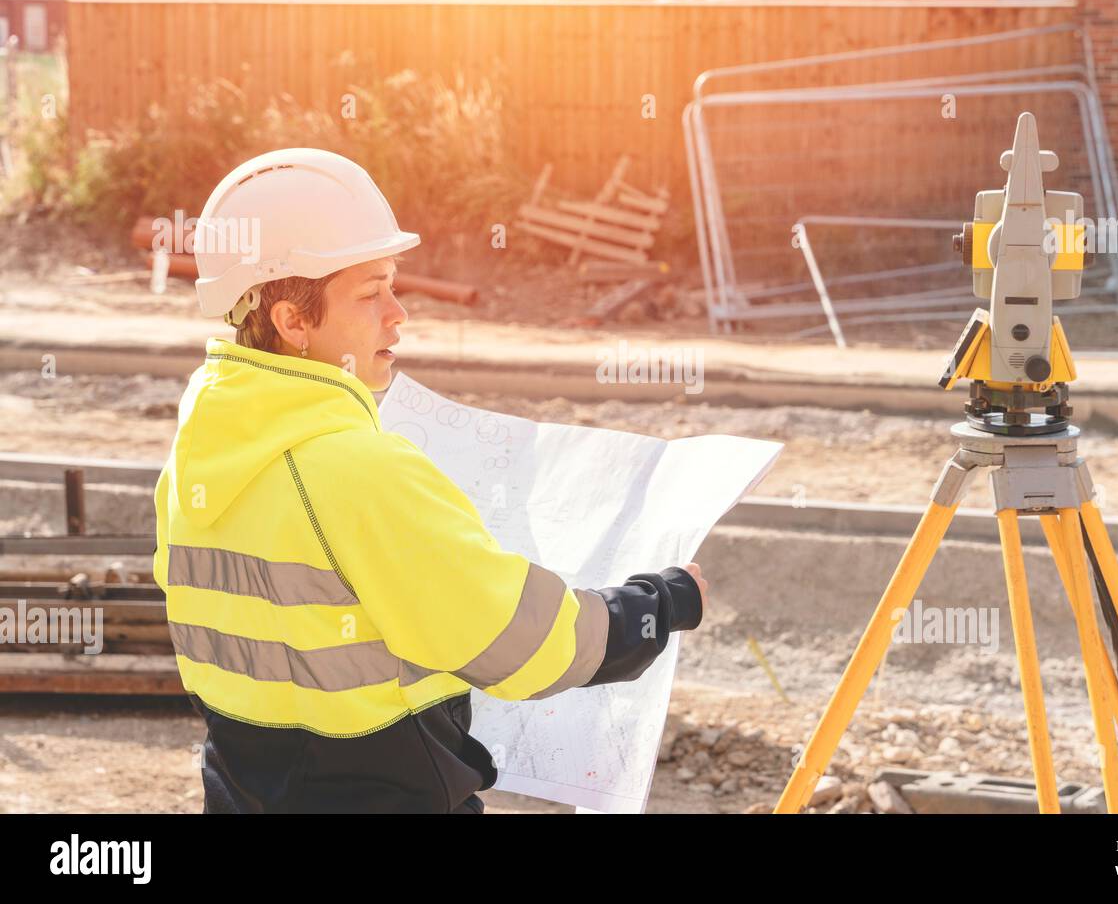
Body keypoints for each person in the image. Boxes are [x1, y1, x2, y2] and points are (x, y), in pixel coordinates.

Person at [153, 148, 708, 812]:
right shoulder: (358, 473)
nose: (398, 313)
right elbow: (522, 641)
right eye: (370, 292)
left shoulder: (195, 461)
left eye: (393, 285)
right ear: (292, 321)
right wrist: (662, 603)